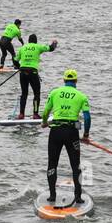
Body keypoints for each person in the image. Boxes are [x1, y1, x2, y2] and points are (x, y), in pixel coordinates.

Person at [41, 69, 91, 207]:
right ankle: (78, 197)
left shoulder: (54, 92)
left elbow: (45, 112)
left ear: (64, 81)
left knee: (52, 164)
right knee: (76, 166)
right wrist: (86, 135)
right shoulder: (81, 96)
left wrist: (45, 122)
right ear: (76, 81)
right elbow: (87, 117)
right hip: (71, 133)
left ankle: (52, 196)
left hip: (55, 132)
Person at [17, 33, 57, 119]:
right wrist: (54, 43)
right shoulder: (38, 47)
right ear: (36, 41)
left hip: (22, 71)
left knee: (24, 94)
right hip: (32, 72)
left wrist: (19, 66)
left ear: (28, 41)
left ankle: (21, 114)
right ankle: (35, 114)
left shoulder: (22, 48)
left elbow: (16, 60)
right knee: (36, 94)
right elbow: (51, 48)